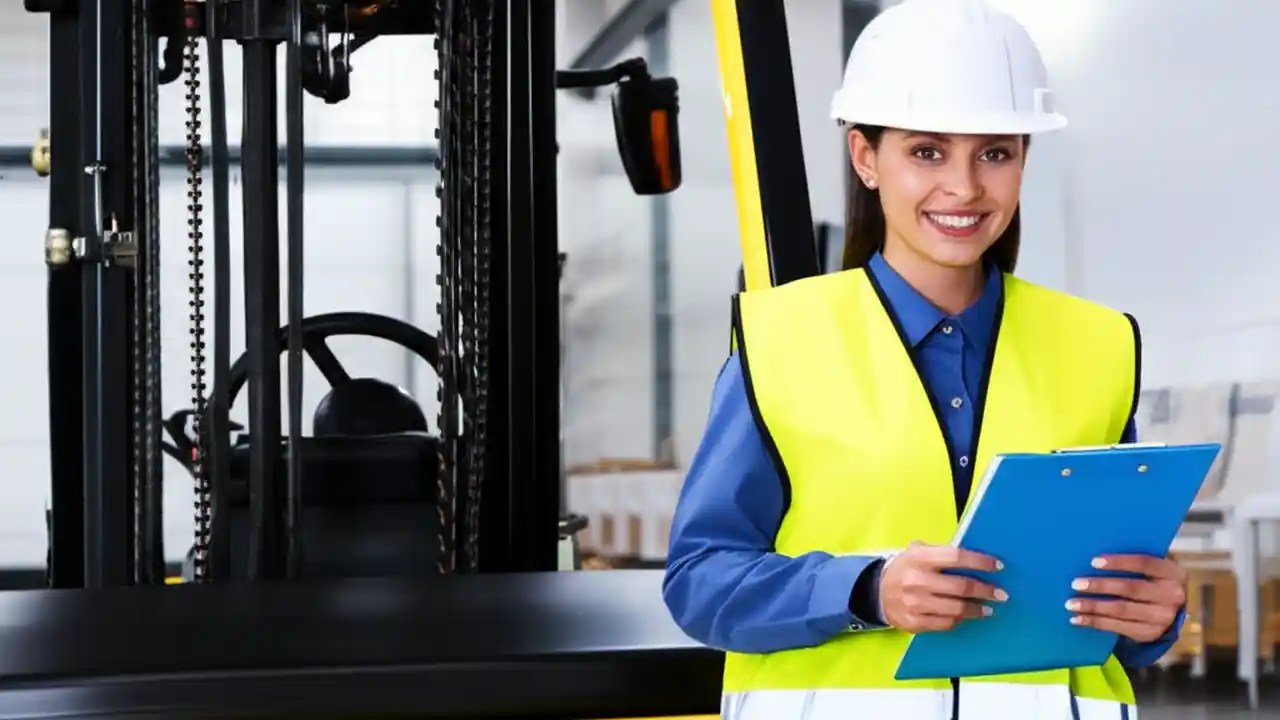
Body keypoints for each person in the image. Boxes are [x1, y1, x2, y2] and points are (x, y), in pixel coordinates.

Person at [662, 0, 1188, 717]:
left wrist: (1153, 618)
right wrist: (867, 590)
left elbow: (1110, 597)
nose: (965, 187)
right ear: (865, 158)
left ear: (1024, 159)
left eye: (995, 153)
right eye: (927, 151)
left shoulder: (1097, 346)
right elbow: (700, 580)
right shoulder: (781, 341)